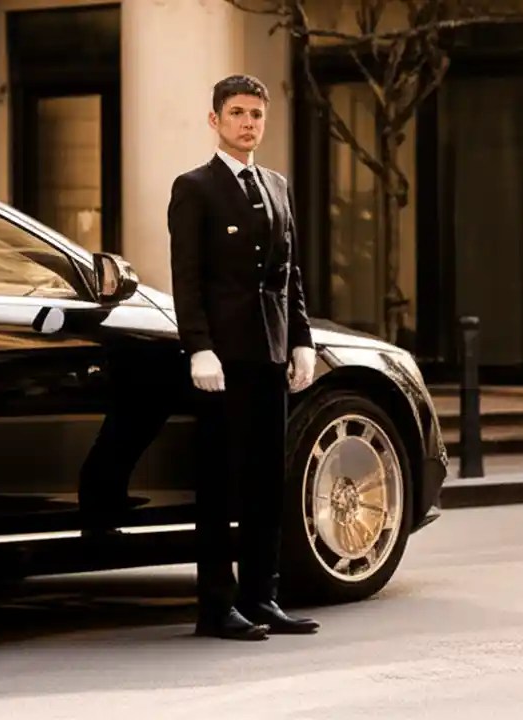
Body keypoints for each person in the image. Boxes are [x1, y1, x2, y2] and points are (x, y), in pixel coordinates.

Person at [168, 74, 321, 641]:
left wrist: (301, 339)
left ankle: (263, 597)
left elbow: (290, 276)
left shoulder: (278, 186)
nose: (248, 123)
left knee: (266, 483)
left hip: (271, 355)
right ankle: (216, 606)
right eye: (236, 113)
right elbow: (187, 279)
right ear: (215, 120)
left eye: (256, 114)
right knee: (220, 485)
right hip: (221, 364)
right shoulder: (195, 188)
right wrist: (199, 348)